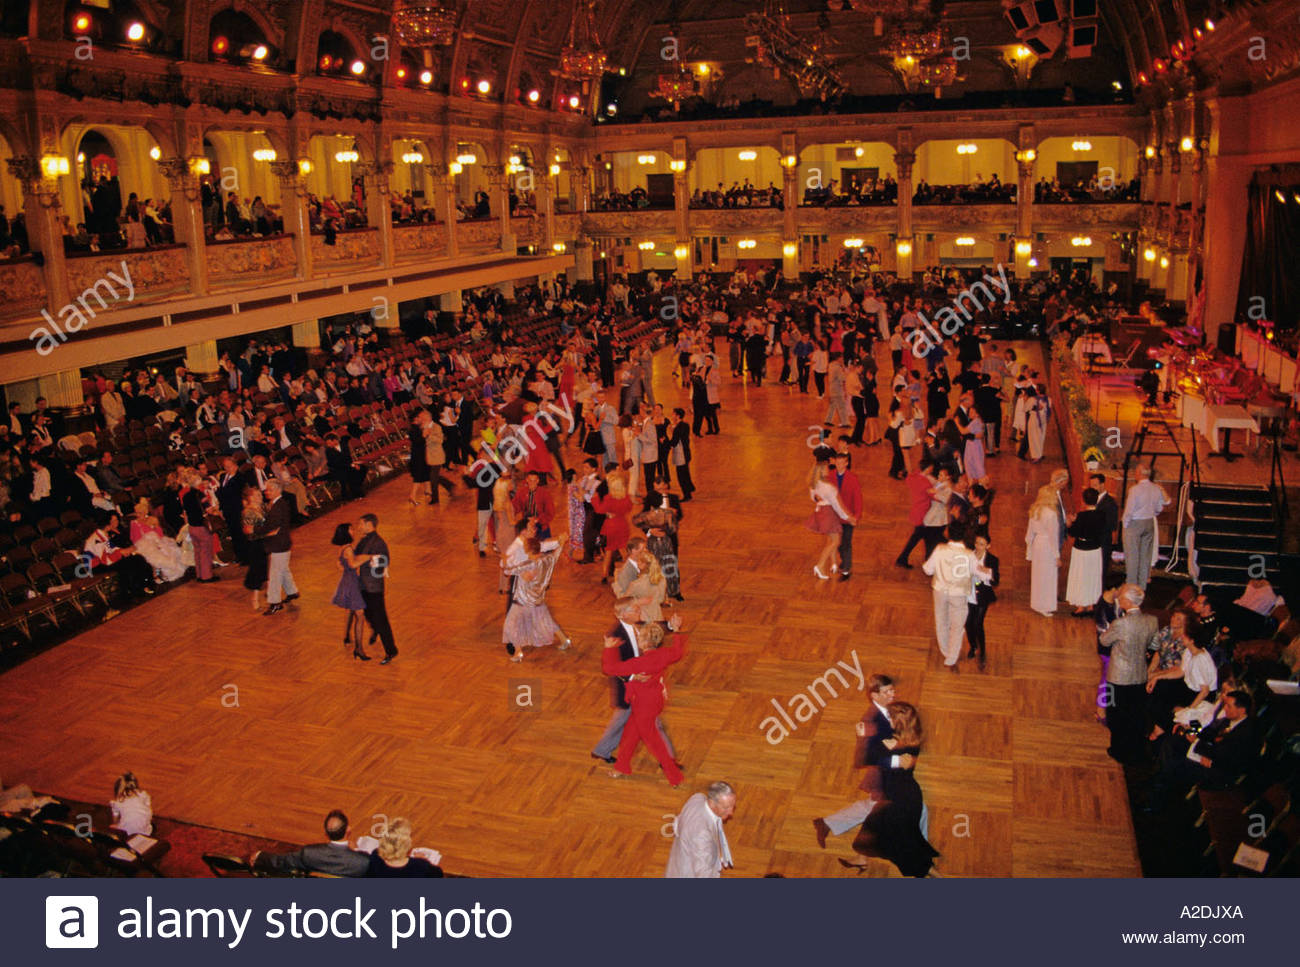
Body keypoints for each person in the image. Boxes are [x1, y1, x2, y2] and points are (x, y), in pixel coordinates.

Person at [841, 702, 939, 877]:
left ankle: (935, 875)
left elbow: (864, 760)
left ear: (896, 723)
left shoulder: (891, 747)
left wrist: (862, 738)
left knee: (901, 847)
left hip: (897, 803)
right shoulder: (913, 738)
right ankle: (861, 859)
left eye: (890, 718)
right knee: (871, 827)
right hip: (906, 795)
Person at [813, 675, 903, 847]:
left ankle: (827, 824)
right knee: (879, 807)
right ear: (875, 696)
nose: (893, 694)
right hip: (883, 775)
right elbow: (864, 757)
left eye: (892, 689)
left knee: (875, 806)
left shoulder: (887, 709)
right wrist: (896, 760)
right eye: (887, 691)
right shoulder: (869, 721)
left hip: (891, 773)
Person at [602, 618, 687, 786]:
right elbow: (678, 652)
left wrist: (609, 649)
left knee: (653, 741)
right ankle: (622, 766)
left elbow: (609, 669)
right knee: (631, 733)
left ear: (644, 641)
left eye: (640, 637)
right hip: (656, 700)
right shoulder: (663, 654)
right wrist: (676, 631)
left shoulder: (640, 662)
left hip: (644, 705)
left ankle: (674, 777)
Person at [1143, 690, 1258, 813]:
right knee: (1172, 743)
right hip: (1209, 753)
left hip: (1219, 770)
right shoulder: (1229, 718)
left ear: (1241, 710)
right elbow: (1208, 731)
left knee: (1174, 765)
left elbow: (1228, 757)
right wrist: (1190, 731)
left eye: (1229, 706)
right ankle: (1158, 780)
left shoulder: (1246, 732)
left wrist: (1201, 748)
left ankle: (1154, 802)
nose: (1225, 708)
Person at [1101, 584, 1159, 764]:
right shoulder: (1152, 621)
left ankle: (1118, 749)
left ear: (1126, 601)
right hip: (1139, 673)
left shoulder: (1121, 624)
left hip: (1118, 675)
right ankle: (1134, 748)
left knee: (1116, 714)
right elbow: (1155, 645)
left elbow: (1104, 641)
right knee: (1135, 713)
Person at [502, 534, 570, 662]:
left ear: (528, 551)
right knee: (547, 621)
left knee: (511, 624)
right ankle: (565, 640)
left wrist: (505, 561)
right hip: (538, 600)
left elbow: (507, 571)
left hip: (523, 601)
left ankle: (518, 652)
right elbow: (557, 553)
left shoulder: (527, 565)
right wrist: (562, 542)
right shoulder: (548, 560)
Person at [252, 809, 370, 876]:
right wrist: (356, 851)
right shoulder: (363, 861)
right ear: (348, 830)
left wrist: (259, 856)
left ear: (326, 833)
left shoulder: (309, 853)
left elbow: (282, 862)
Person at [922, 525, 975, 672]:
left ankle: (945, 650)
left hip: (939, 590)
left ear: (947, 534)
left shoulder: (940, 549)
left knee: (941, 620)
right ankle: (951, 656)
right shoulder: (969, 554)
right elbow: (976, 572)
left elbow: (927, 569)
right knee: (957, 626)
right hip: (958, 593)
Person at [348, 513, 397, 665]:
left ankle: (391, 650)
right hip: (364, 585)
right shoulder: (365, 540)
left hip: (373, 588)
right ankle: (375, 629)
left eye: (361, 524)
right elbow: (356, 557)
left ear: (369, 525)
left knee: (381, 619)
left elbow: (384, 563)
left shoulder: (378, 543)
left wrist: (368, 560)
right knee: (368, 614)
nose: (359, 527)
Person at [665, 781, 736, 878]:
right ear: (712, 803)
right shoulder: (702, 836)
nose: (731, 812)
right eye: (726, 808)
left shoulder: (697, 798)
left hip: (678, 863)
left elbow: (678, 823)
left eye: (732, 806)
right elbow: (703, 873)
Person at [254, 480, 298, 615]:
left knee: (275, 574)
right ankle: (292, 592)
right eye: (266, 490)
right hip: (281, 542)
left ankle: (275, 603)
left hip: (279, 543)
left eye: (269, 490)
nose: (266, 492)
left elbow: (271, 525)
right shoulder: (278, 504)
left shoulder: (279, 506)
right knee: (282, 569)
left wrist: (255, 530)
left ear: (278, 490)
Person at [1121, 464, 1168, 589]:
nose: (1135, 474)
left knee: (1132, 557)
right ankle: (1141, 588)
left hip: (1135, 523)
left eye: (1136, 471)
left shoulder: (1135, 489)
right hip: (1149, 522)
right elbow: (1159, 508)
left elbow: (1129, 510)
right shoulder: (1156, 488)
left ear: (1140, 473)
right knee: (1145, 557)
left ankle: (1130, 587)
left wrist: (1125, 525)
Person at [330, 522, 369, 660]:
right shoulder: (348, 549)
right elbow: (352, 564)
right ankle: (359, 648)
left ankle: (346, 636)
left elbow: (339, 565)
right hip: (352, 583)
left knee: (350, 610)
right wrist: (366, 558)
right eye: (351, 529)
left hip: (346, 581)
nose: (353, 531)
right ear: (346, 533)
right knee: (360, 615)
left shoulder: (342, 548)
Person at [807, 456, 850, 580]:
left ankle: (834, 564)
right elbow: (837, 506)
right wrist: (847, 517)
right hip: (829, 514)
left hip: (821, 513)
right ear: (821, 470)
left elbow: (813, 497)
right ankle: (820, 565)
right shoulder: (828, 487)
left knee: (832, 540)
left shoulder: (814, 484)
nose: (828, 469)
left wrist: (817, 498)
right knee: (835, 541)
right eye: (826, 467)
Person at [1065, 488, 1106, 615]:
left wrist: (1070, 522)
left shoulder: (1081, 516)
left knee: (1081, 577)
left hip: (1081, 550)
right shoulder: (1102, 515)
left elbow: (1073, 533)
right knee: (1093, 576)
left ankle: (1081, 606)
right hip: (1095, 549)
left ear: (1083, 501)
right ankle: (1091, 605)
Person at [365, 818, 444, 877]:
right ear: (407, 844)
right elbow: (438, 874)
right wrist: (424, 861)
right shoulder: (420, 866)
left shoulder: (375, 856)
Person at [965, 534, 999, 670]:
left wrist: (988, 573)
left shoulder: (992, 560)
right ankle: (973, 646)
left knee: (978, 623)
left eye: (982, 544)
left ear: (988, 546)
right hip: (968, 594)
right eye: (977, 543)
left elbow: (996, 581)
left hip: (982, 596)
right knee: (968, 624)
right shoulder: (967, 556)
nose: (979, 546)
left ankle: (982, 652)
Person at [1025, 491, 1060, 617]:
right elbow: (1053, 537)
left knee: (1038, 575)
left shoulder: (1035, 511)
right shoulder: (1051, 514)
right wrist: (1057, 556)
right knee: (1048, 576)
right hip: (1047, 547)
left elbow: (1029, 534)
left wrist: (1029, 550)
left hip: (1037, 544)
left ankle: (1037, 603)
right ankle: (1045, 605)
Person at [830, 450, 862, 582]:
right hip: (834, 517)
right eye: (837, 463)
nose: (839, 466)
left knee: (846, 543)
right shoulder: (830, 476)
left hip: (848, 518)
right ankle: (844, 561)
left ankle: (846, 569)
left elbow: (858, 499)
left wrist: (856, 516)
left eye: (842, 463)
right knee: (837, 543)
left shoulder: (852, 479)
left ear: (846, 463)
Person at [241, 486, 268, 611]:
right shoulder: (249, 512)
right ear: (250, 498)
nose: (260, 497)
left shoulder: (261, 508)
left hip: (263, 542)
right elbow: (248, 530)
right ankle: (255, 599)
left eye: (260, 495)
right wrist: (264, 531)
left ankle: (269, 592)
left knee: (265, 568)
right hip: (255, 544)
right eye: (257, 495)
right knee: (257, 570)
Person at [109, 771, 153, 837]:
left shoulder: (117, 803)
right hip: (146, 830)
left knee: (112, 827)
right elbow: (149, 808)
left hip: (128, 832)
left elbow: (115, 819)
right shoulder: (143, 795)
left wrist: (117, 823)